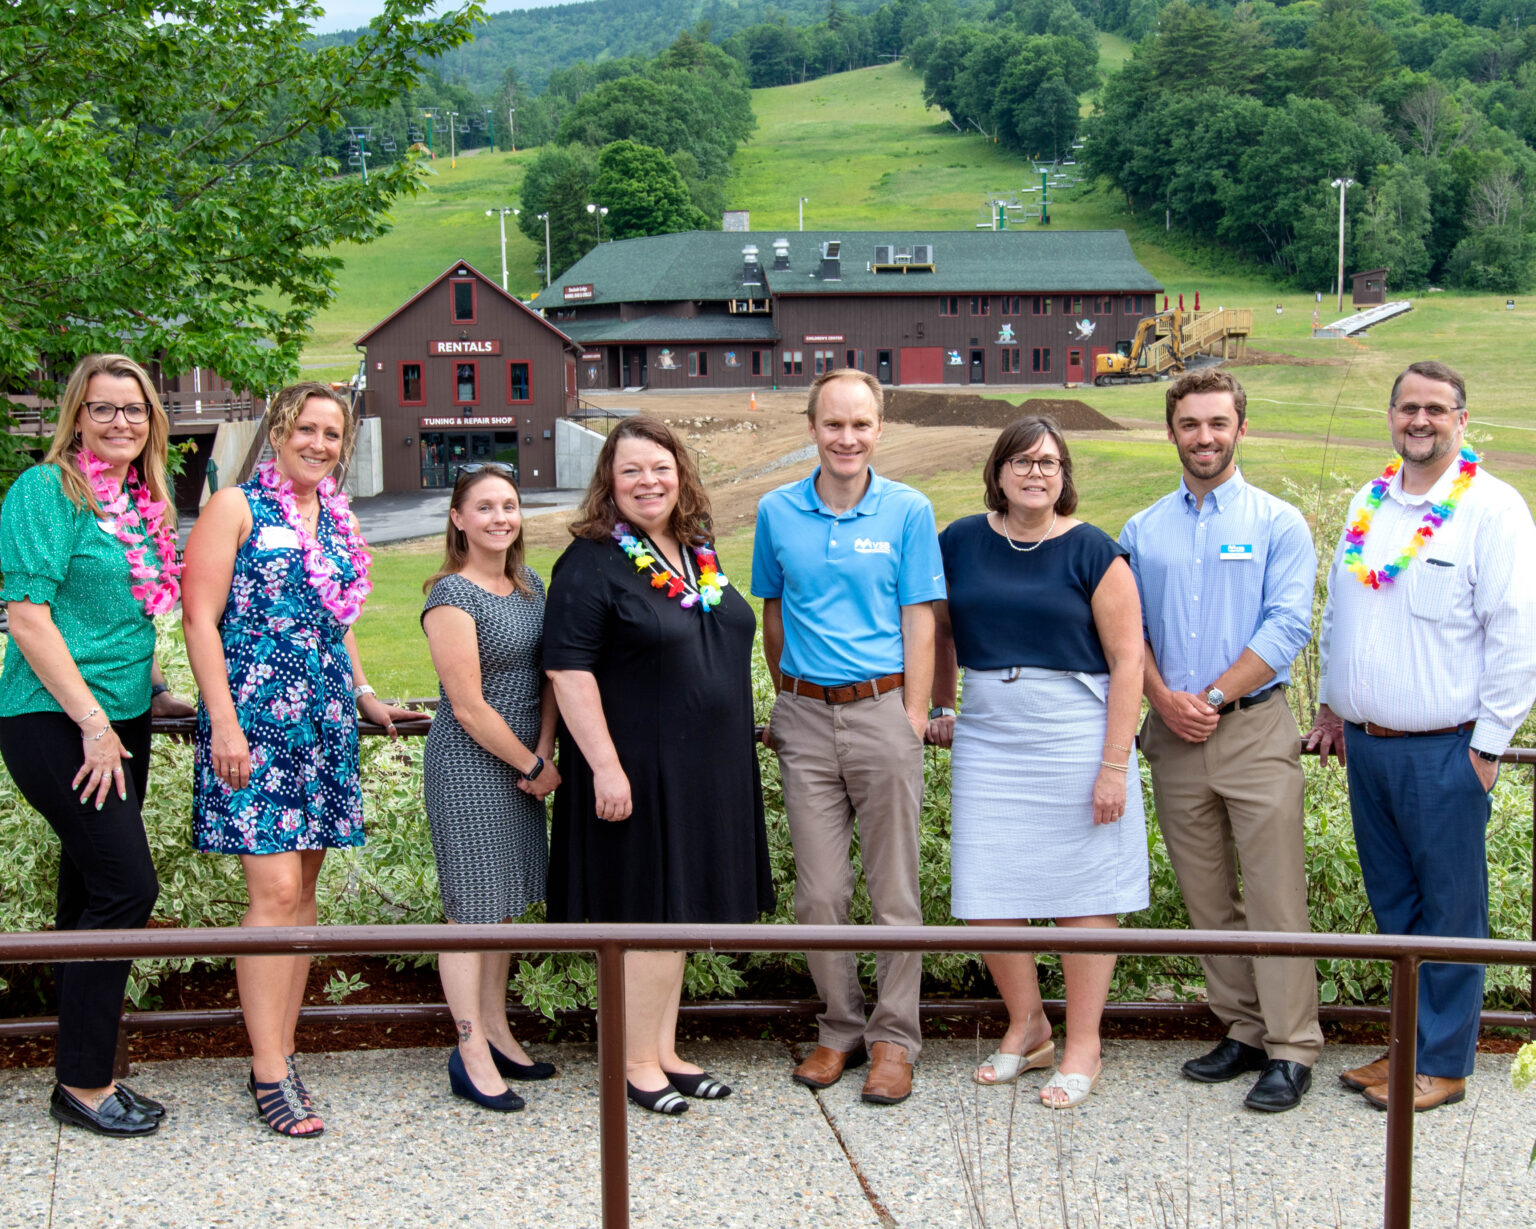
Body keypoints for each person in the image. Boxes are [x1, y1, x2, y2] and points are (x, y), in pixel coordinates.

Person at [182, 381, 420, 1137]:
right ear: (278, 431)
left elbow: (335, 615)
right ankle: (269, 1071)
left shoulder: (336, 518)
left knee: (305, 890)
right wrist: (222, 721)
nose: (320, 443)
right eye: (306, 429)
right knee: (274, 888)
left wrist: (365, 692)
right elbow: (198, 616)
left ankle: (280, 1049)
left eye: (332, 433)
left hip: (322, 722)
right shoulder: (237, 507)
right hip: (252, 722)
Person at [1306, 360, 1536, 1113]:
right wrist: (1332, 705)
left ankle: (1446, 1063)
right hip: (1367, 747)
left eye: (1437, 409)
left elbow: (1516, 635)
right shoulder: (1368, 504)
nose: (1420, 420)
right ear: (1392, 415)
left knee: (1451, 914)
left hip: (1446, 749)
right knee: (1395, 909)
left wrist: (1489, 745)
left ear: (1462, 420)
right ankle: (1407, 1046)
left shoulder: (1492, 510)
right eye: (1409, 407)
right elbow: (1343, 613)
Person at [544, 416, 773, 1115]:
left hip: (706, 770)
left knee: (679, 914)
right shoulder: (589, 561)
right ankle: (633, 1060)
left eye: (661, 467)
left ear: (681, 474)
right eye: (632, 470)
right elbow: (568, 669)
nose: (649, 481)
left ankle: (665, 1047)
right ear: (609, 484)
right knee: (647, 914)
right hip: (636, 772)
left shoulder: (696, 549)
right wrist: (606, 767)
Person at [1119, 369, 1322, 1114]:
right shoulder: (1143, 529)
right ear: (1170, 431)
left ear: (1241, 427)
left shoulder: (1279, 522)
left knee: (1274, 894)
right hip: (1172, 735)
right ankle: (1242, 1028)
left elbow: (1287, 626)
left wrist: (1207, 696)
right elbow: (1127, 630)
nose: (1204, 436)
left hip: (1254, 728)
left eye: (1218, 422)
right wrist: (1163, 700)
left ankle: (1293, 1046)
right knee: (1207, 898)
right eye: (1190, 424)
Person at [0, 353, 194, 1136]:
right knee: (125, 889)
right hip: (57, 721)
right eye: (105, 408)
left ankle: (90, 1070)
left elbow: (127, 615)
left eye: (136, 409)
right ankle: (84, 1082)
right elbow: (29, 616)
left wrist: (150, 692)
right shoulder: (46, 491)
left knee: (87, 893)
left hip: (120, 719)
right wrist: (92, 722)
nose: (121, 421)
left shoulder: (140, 500)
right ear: (76, 415)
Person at [929, 417, 1146, 1109]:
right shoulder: (960, 540)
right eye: (1021, 460)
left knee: (1085, 898)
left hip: (1075, 732)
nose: (1035, 472)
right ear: (997, 471)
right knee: (985, 889)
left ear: (1065, 475)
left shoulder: (1094, 551)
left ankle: (1084, 1042)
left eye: (1049, 462)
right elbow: (934, 628)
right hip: (990, 732)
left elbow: (1128, 661)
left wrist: (1114, 764)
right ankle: (1028, 1024)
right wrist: (940, 703)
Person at [752, 368, 944, 1106]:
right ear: (811, 427)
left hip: (884, 711)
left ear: (879, 428)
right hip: (803, 715)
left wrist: (914, 710)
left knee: (894, 889)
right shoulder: (777, 510)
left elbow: (921, 615)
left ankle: (896, 1038)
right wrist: (787, 698)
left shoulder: (907, 509)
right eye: (834, 424)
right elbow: (773, 615)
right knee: (821, 892)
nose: (847, 438)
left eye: (860, 424)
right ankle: (840, 1028)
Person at [421, 464, 561, 1113]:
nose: (500, 517)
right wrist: (531, 766)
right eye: (484, 507)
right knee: (471, 911)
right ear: (458, 518)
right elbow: (470, 706)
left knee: (501, 906)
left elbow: (551, 678)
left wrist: (544, 749)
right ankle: (470, 1049)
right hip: (471, 765)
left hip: (523, 762)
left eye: (509, 505)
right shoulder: (451, 594)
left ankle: (500, 1030)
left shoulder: (530, 584)